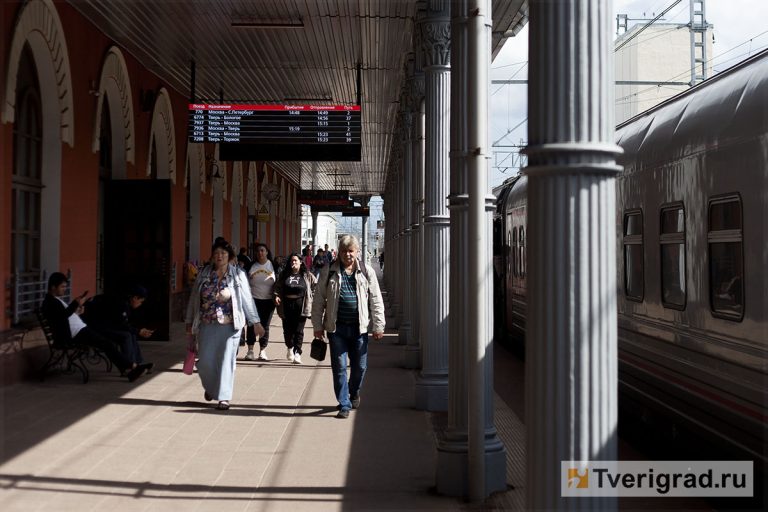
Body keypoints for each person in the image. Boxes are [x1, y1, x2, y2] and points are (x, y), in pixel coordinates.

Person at [312, 235, 385, 418]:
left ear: (357, 252)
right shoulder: (329, 271)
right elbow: (319, 299)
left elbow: (376, 299)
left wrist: (378, 325)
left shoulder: (366, 271)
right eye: (344, 251)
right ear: (339, 252)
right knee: (339, 367)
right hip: (336, 329)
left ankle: (354, 392)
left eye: (351, 251)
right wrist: (317, 325)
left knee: (360, 367)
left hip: (359, 329)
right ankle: (344, 403)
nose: (347, 254)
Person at [185, 240, 264, 410]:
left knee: (227, 360)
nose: (219, 256)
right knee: (205, 362)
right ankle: (213, 387)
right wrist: (189, 321)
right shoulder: (204, 273)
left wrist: (255, 322)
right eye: (216, 253)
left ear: (229, 256)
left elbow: (247, 299)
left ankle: (224, 397)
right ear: (212, 256)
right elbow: (194, 298)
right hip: (207, 323)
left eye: (223, 253)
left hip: (230, 325)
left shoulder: (238, 274)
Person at [41, 272, 151, 382]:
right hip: (76, 333)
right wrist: (75, 303)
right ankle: (133, 367)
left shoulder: (56, 300)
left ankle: (129, 369)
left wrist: (77, 312)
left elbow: (64, 316)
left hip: (81, 329)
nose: (64, 289)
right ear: (53, 287)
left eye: (65, 286)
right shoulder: (50, 302)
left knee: (108, 344)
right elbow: (61, 317)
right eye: (62, 287)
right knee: (108, 344)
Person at [83, 285, 155, 369]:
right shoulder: (121, 303)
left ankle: (138, 363)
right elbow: (121, 325)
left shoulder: (124, 301)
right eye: (141, 301)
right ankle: (130, 367)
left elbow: (120, 323)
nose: (140, 304)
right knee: (126, 336)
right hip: (92, 328)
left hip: (103, 325)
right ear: (135, 298)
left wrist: (137, 331)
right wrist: (139, 331)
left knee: (131, 333)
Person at [274, 252, 317, 364]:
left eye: (295, 260)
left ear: (300, 262)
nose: (293, 262)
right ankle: (290, 347)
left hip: (301, 305)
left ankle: (298, 353)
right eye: (292, 261)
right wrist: (277, 295)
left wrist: (312, 296)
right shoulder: (284, 274)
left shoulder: (307, 275)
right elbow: (277, 287)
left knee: (299, 330)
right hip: (286, 306)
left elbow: (315, 286)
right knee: (287, 331)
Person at [245, 243, 276, 361]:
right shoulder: (251, 266)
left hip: (268, 301)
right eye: (258, 251)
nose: (260, 253)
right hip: (253, 300)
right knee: (251, 324)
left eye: (262, 250)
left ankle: (262, 350)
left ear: (267, 252)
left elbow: (279, 282)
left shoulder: (273, 265)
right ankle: (250, 350)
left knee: (265, 325)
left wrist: (277, 295)